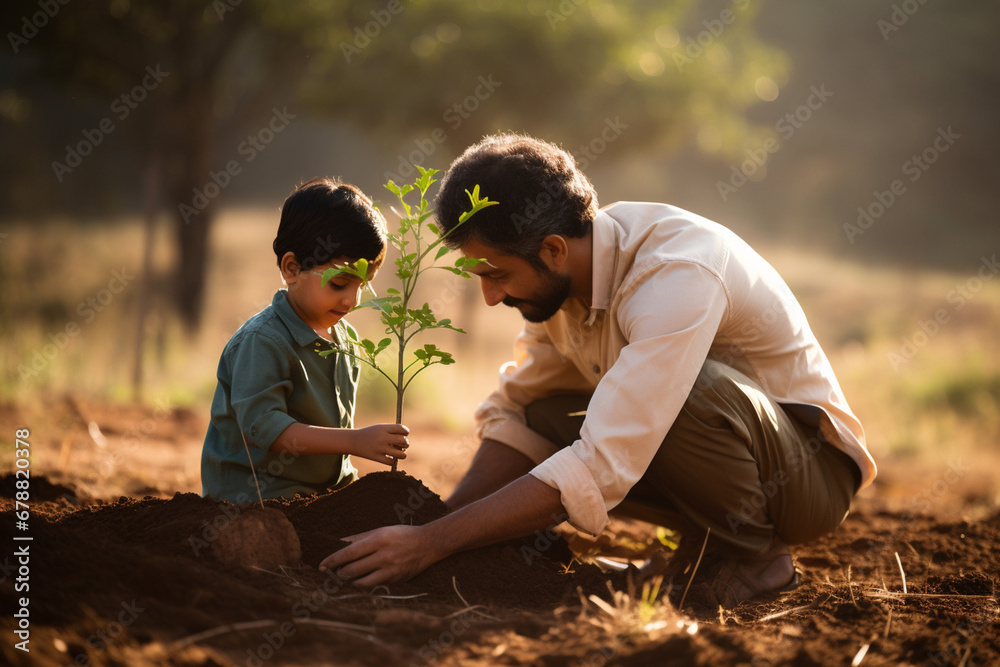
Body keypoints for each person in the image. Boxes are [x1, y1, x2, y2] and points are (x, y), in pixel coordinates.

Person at [319, 134, 877, 607]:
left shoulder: (675, 274)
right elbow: (519, 412)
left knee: (684, 394)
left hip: (807, 480)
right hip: (732, 464)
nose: (490, 297)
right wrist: (435, 524)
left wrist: (434, 544)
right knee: (545, 410)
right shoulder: (560, 287)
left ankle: (757, 560)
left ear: (554, 250)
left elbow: (606, 457)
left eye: (497, 275)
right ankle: (705, 546)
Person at [201, 177, 411, 503]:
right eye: (339, 283)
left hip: (321, 495)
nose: (352, 300)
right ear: (292, 268)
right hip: (259, 499)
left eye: (363, 284)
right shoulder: (263, 341)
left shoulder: (346, 338)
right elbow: (263, 427)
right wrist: (354, 440)